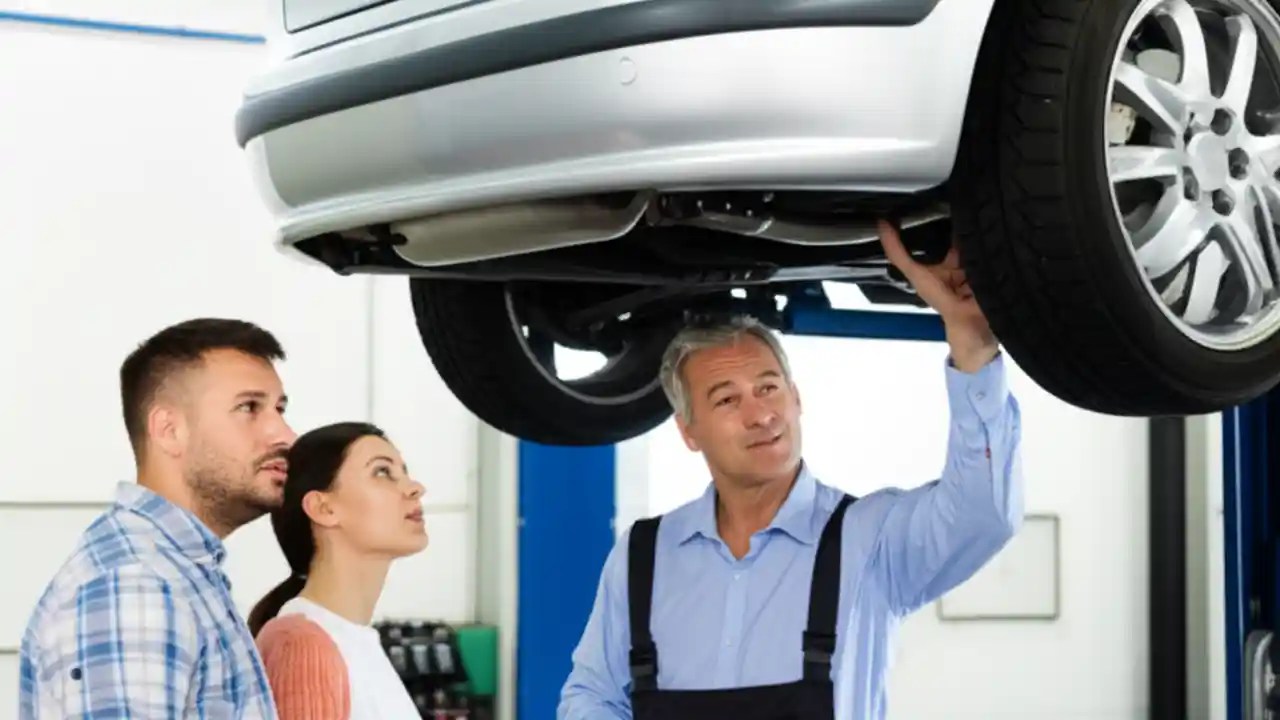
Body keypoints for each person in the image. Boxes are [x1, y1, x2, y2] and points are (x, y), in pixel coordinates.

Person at [558, 220, 1026, 720]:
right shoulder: (644, 557)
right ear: (689, 432)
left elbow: (983, 515)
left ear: (795, 398)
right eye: (727, 400)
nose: (760, 414)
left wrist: (973, 352)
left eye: (767, 388)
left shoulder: (868, 541)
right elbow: (591, 696)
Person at [18, 317, 296, 719]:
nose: (284, 433)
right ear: (168, 430)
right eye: (249, 407)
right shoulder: (136, 586)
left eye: (280, 408)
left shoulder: (176, 572)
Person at [247, 421, 429, 720]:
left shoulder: (354, 642)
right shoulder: (302, 646)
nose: (414, 488)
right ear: (324, 508)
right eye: (382, 472)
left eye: (404, 472)